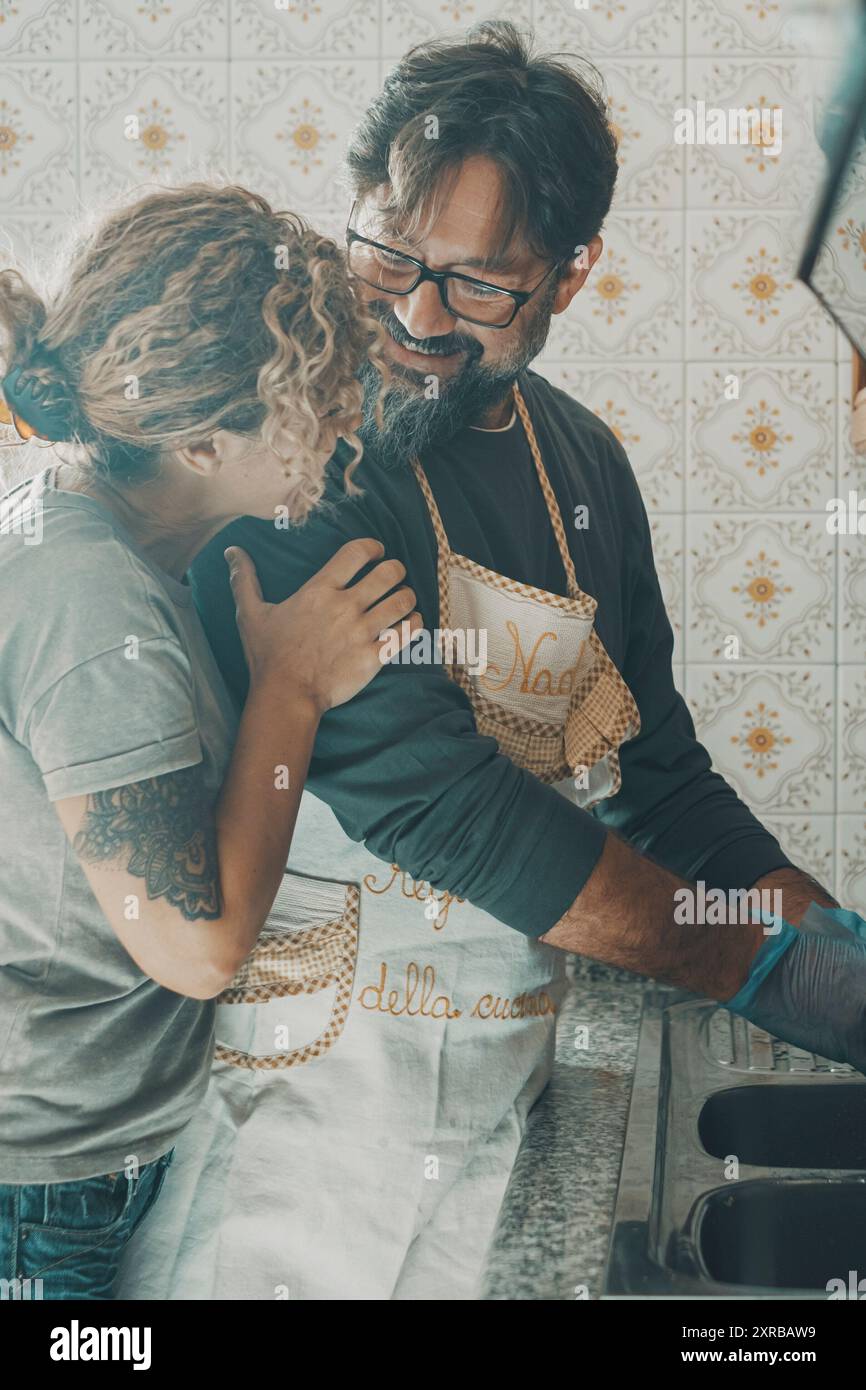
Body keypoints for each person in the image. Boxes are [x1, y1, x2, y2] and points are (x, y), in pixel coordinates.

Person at [120, 24, 866, 1302]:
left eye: (477, 284)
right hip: (303, 1106)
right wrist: (764, 967)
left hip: (501, 1083)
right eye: (390, 257)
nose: (416, 315)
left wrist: (817, 931)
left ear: (567, 278)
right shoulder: (282, 454)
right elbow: (445, 806)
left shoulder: (580, 460)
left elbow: (660, 782)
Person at [0, 182, 418, 1300]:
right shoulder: (90, 600)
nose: (347, 418)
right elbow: (197, 948)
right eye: (314, 397)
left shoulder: (93, 540)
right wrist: (293, 683)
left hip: (70, 1160)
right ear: (197, 440)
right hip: (39, 1195)